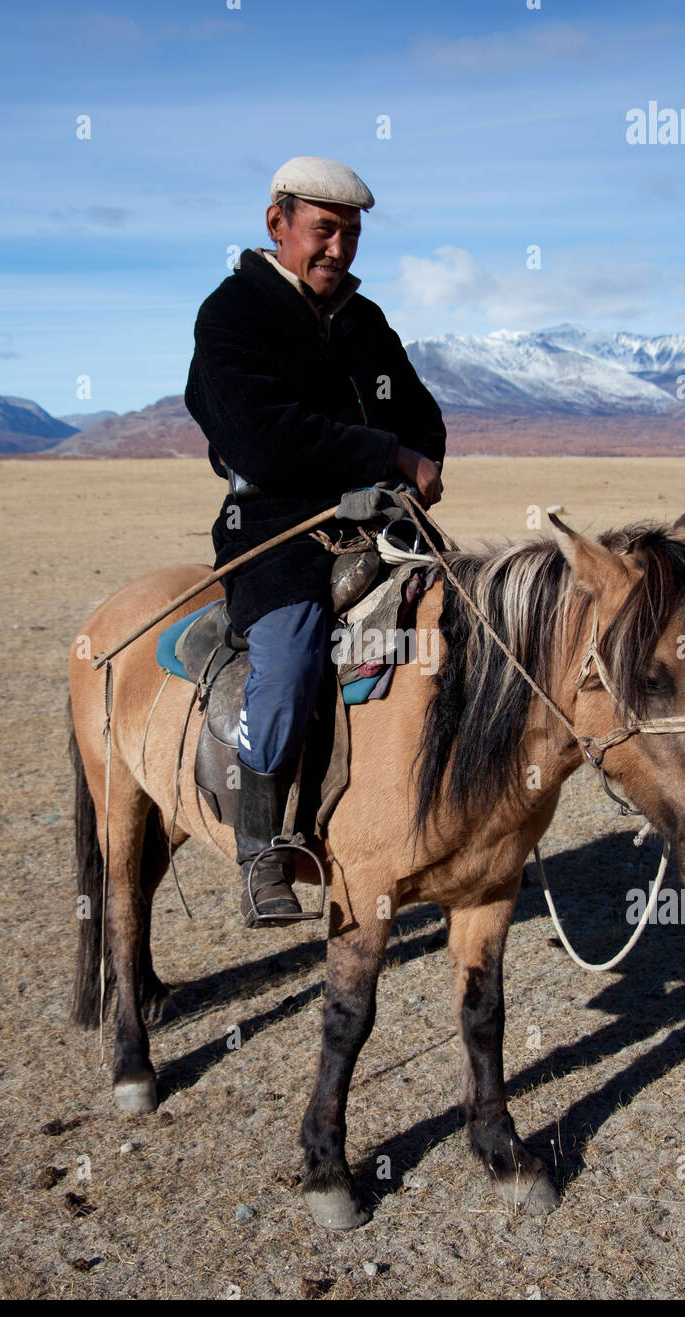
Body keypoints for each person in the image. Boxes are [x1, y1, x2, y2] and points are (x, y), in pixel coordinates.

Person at [184, 155, 445, 928]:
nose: (338, 249)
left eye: (351, 234)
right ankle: (264, 848)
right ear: (279, 224)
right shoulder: (232, 314)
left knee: (461, 621)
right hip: (273, 527)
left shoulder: (364, 322)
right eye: (323, 230)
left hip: (379, 520)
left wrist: (409, 459)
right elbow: (263, 442)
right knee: (294, 651)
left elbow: (422, 417)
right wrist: (386, 454)